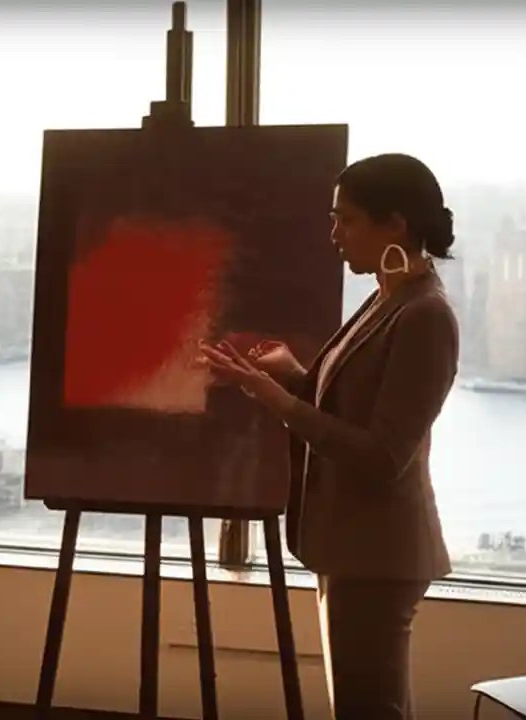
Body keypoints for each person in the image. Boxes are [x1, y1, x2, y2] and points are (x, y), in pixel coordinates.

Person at [200, 153, 457, 720]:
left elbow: (382, 454)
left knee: (369, 710)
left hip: (379, 555)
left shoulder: (424, 316)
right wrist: (292, 374)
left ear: (394, 225)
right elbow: (353, 404)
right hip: (354, 549)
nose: (334, 234)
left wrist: (283, 403)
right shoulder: (387, 294)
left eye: (347, 220)